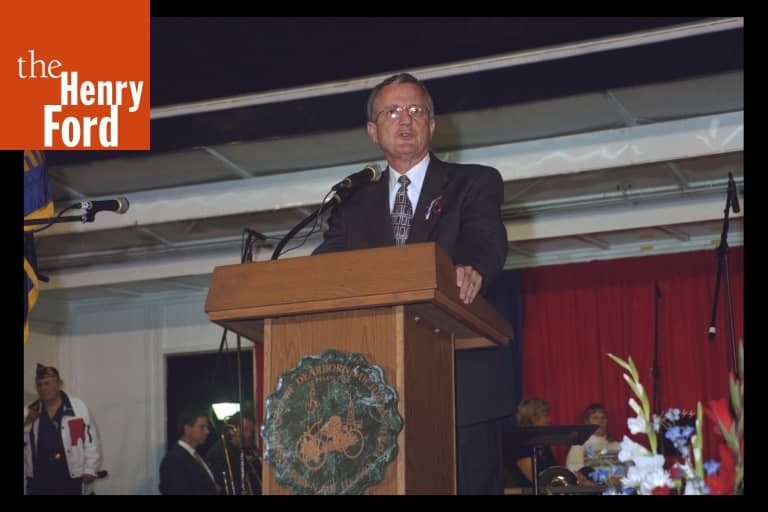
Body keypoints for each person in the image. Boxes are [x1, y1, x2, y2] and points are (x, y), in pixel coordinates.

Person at [313, 72, 509, 494]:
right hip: (375, 400)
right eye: (393, 111)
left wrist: (471, 267)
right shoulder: (351, 201)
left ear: (432, 125)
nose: (406, 120)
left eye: (416, 110)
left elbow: (484, 241)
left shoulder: (473, 182)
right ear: (373, 131)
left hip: (461, 392)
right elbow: (325, 268)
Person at [23, 363, 102, 495]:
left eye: (47, 383)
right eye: (39, 384)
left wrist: (90, 469)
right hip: (39, 478)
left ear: (59, 383)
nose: (43, 388)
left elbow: (91, 439)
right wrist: (27, 423)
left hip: (70, 476)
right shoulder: (29, 410)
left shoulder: (77, 407)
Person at [159, 409, 219, 495]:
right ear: (187, 429)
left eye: (207, 427)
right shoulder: (174, 460)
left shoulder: (194, 455)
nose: (207, 432)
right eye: (202, 427)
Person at [505, 398, 558, 489]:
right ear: (534, 419)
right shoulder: (520, 442)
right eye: (545, 416)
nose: (549, 420)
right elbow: (534, 478)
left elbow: (553, 469)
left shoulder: (542, 442)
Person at [205, 412, 262, 495]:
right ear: (231, 431)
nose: (249, 435)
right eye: (245, 430)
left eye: (251, 431)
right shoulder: (218, 453)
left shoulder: (250, 450)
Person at [565, 403, 622, 485]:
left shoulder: (618, 446)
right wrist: (602, 484)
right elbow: (574, 474)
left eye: (603, 418)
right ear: (587, 422)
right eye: (595, 418)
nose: (600, 421)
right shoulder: (579, 445)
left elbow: (629, 473)